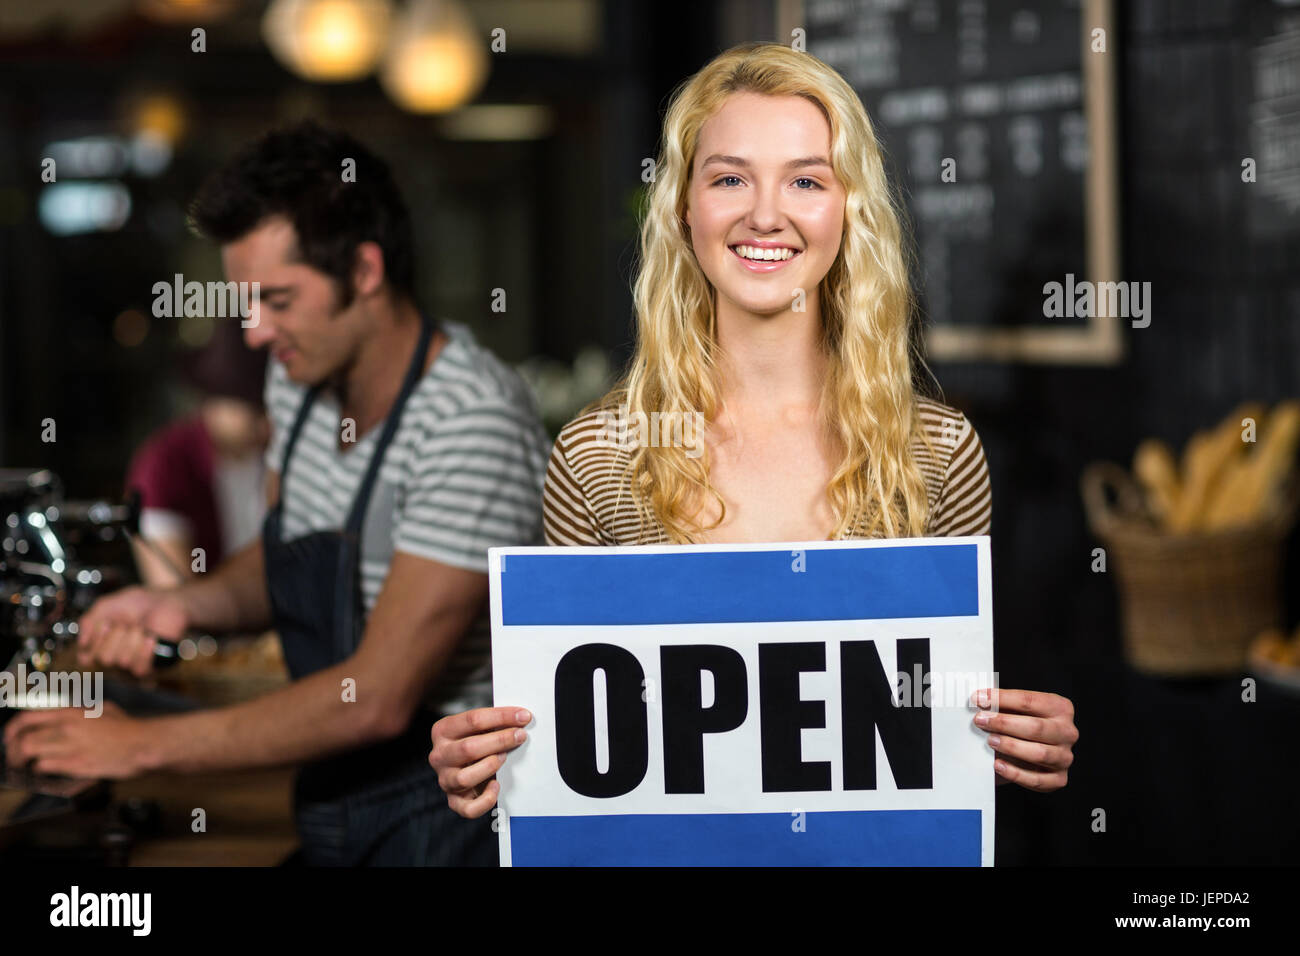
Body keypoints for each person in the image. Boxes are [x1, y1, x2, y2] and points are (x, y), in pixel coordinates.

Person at [429, 43, 1078, 821]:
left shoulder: (936, 453)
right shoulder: (599, 458)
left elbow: (934, 722)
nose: (765, 214)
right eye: (730, 178)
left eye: (806, 180)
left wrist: (1013, 738)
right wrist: (494, 761)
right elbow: (587, 741)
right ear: (685, 209)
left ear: (849, 211)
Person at [4, 121, 551, 866]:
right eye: (246, 301)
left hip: (447, 814)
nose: (255, 331)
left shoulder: (470, 423)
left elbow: (381, 693)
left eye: (279, 299)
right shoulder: (302, 380)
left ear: (363, 272)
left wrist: (137, 748)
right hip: (332, 790)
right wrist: (185, 605)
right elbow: (286, 551)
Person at [126, 320, 270, 587]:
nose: (270, 424)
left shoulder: (276, 455)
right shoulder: (163, 466)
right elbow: (174, 589)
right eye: (257, 409)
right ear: (215, 399)